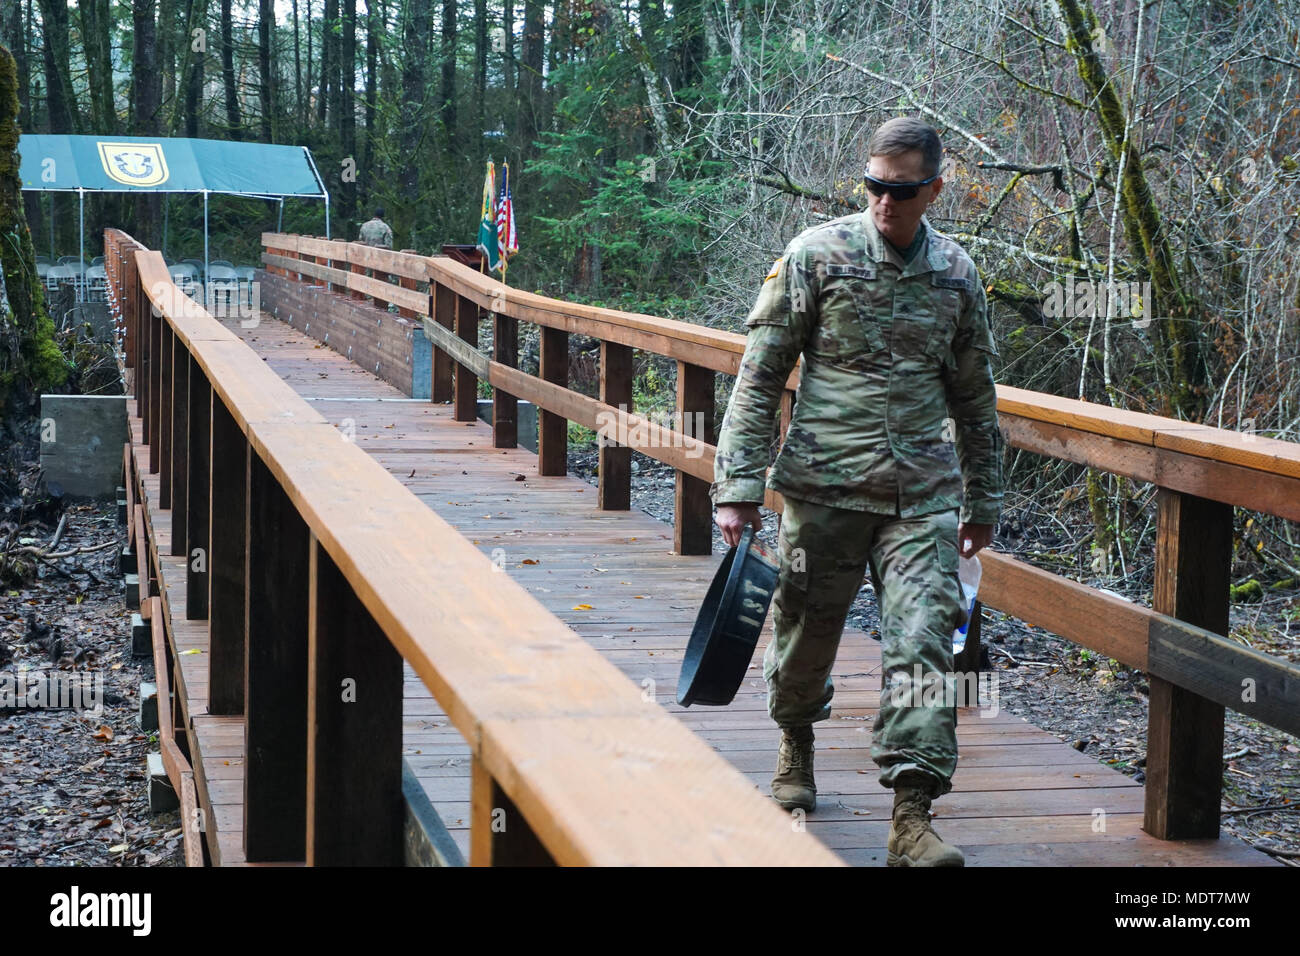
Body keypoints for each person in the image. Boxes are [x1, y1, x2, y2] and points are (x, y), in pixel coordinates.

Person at [711, 117, 1003, 867]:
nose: (884, 202)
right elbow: (759, 376)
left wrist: (984, 500)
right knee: (805, 634)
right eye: (873, 186)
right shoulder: (817, 255)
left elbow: (975, 398)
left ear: (933, 189)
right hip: (824, 489)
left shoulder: (956, 275)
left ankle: (911, 818)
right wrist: (738, 487)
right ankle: (795, 744)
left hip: (921, 499)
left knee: (925, 646)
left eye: (901, 191)